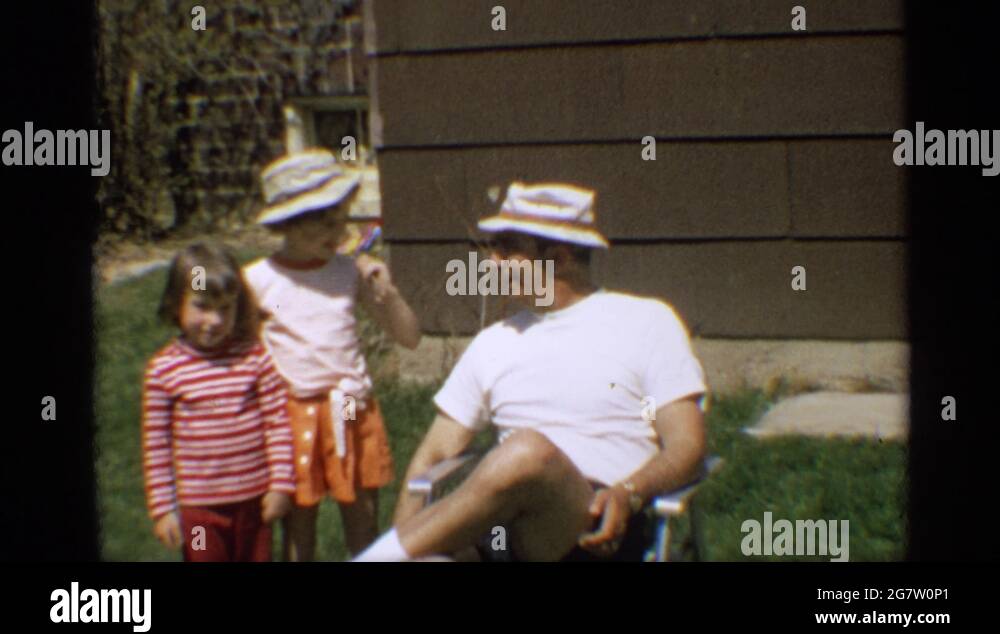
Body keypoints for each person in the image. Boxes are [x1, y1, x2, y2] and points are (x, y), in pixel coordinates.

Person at [354, 182, 708, 562]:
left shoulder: (646, 322)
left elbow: (687, 446)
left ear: (556, 257)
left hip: (599, 525)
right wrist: (410, 541)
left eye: (507, 247)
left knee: (527, 452)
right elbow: (432, 457)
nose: (490, 261)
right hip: (502, 533)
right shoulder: (493, 342)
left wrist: (630, 492)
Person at [244, 148, 421, 561]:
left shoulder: (348, 272)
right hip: (293, 413)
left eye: (342, 221)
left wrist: (387, 293)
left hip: (352, 410)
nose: (338, 233)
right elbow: (243, 356)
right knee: (299, 527)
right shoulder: (257, 279)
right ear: (288, 222)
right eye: (325, 223)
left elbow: (409, 337)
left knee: (362, 522)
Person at [142, 242, 295, 562]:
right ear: (176, 305)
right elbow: (156, 444)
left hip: (253, 502)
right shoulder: (164, 370)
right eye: (202, 306)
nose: (213, 320)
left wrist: (281, 484)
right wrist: (163, 509)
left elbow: (277, 423)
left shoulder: (253, 358)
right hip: (199, 510)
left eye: (224, 308)